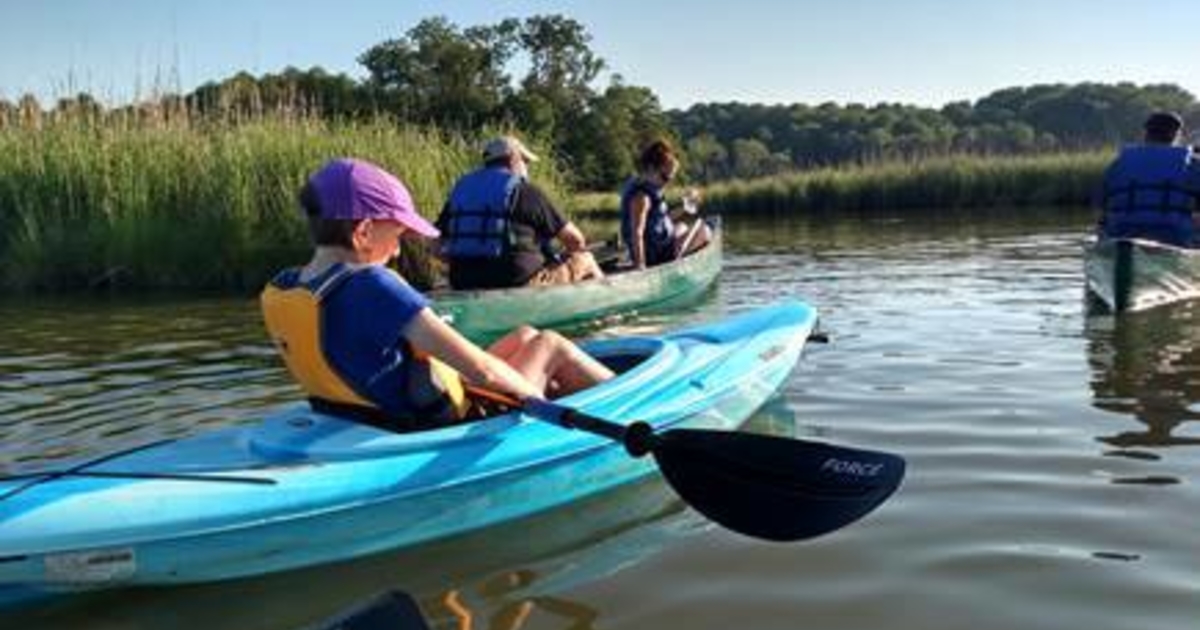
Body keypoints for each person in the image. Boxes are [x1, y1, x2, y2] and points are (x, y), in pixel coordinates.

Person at [261, 158, 614, 430]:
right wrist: (540, 406)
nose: (398, 251)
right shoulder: (374, 285)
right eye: (398, 235)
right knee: (550, 344)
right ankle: (628, 404)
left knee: (525, 335)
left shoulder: (284, 286)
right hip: (440, 425)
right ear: (363, 232)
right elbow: (483, 372)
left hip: (365, 415)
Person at [436, 136, 603, 290]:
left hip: (462, 283)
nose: (526, 168)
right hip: (519, 284)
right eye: (526, 162)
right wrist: (563, 257)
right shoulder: (525, 191)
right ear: (514, 159)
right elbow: (576, 240)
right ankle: (603, 302)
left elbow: (434, 243)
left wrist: (462, 262)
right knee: (586, 259)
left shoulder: (461, 192)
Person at [1099, 111, 1200, 247]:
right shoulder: (1192, 164)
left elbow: (1100, 202)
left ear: (1146, 133)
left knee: (1104, 222)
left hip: (1120, 233)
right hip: (1174, 237)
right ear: (1174, 135)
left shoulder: (1119, 162)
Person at [620, 139, 711, 269]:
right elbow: (637, 233)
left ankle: (682, 257)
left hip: (661, 246)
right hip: (655, 256)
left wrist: (684, 208)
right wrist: (641, 266)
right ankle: (681, 265)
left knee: (682, 226)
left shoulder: (649, 186)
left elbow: (660, 220)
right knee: (705, 231)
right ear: (651, 168)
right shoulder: (642, 197)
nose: (667, 183)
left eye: (671, 179)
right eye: (665, 177)